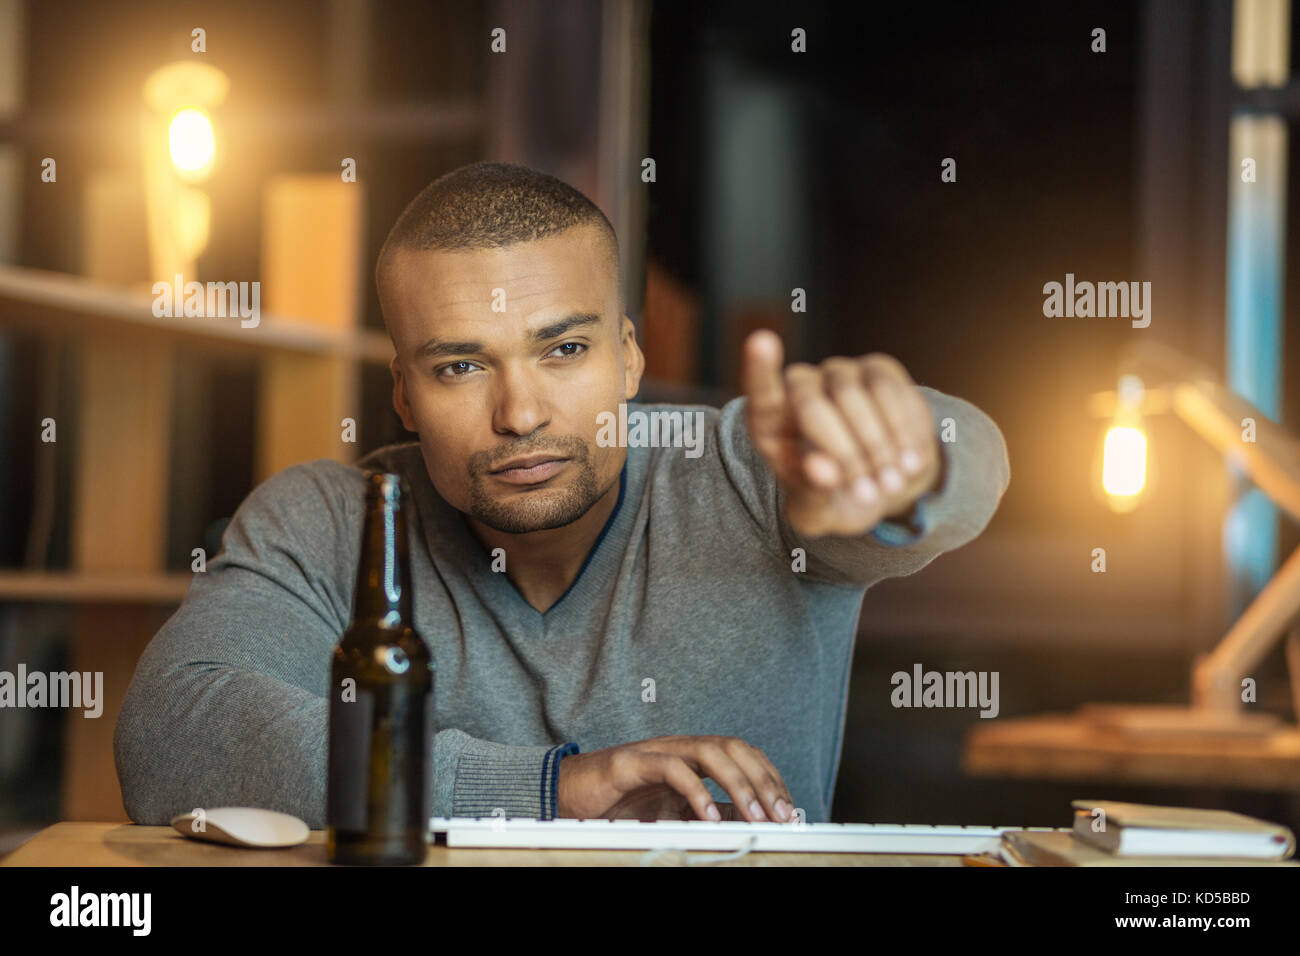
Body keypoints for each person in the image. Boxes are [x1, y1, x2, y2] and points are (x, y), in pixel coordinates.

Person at [115, 161, 1010, 827]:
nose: (520, 413)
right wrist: (551, 790)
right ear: (403, 393)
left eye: (564, 350)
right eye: (460, 365)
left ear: (629, 356)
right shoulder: (330, 522)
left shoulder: (751, 476)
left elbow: (965, 460)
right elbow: (168, 736)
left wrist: (905, 468)